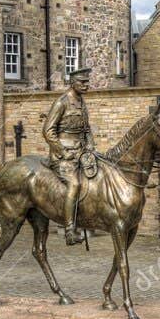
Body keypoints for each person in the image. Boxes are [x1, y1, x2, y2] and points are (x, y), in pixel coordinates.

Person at [42, 64, 95, 245]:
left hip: (81, 152)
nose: (86, 85)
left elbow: (86, 129)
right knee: (75, 184)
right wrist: (63, 151)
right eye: (82, 82)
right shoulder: (61, 102)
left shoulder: (82, 102)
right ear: (73, 83)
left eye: (87, 82)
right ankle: (70, 231)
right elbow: (48, 131)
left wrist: (90, 146)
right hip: (63, 156)